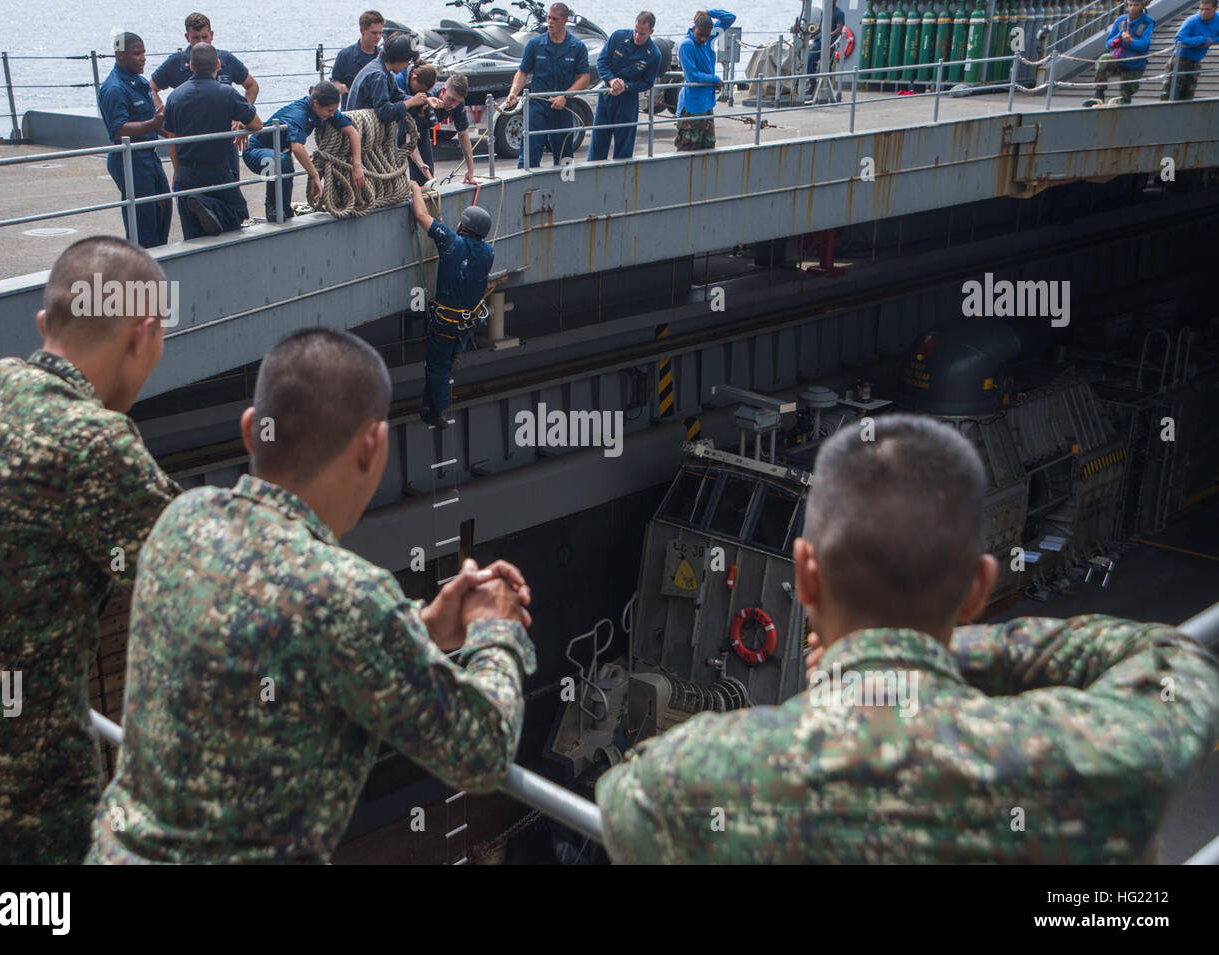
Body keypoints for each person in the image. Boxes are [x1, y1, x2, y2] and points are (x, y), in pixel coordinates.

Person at [595, 414, 1219, 863]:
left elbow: (622, 805)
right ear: (977, 588)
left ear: (807, 575)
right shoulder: (1083, 761)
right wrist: (952, 657)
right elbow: (1173, 664)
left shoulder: (692, 777)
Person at [86, 328, 536, 864]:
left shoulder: (182, 520)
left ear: (252, 430)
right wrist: (495, 628)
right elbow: (481, 753)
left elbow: (287, 635)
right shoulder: (348, 597)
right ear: (374, 446)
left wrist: (421, 627)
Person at [0, 237, 181, 864]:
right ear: (143, 333)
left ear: (44, 325)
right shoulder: (95, 444)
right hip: (24, 805)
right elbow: (202, 576)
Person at [408, 180, 494, 430]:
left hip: (446, 324)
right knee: (447, 362)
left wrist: (415, 188)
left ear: (463, 226)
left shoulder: (451, 243)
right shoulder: (488, 252)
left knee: (436, 366)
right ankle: (432, 401)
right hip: (467, 323)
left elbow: (420, 214)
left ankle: (436, 411)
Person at [163, 43, 262, 238]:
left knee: (192, 238)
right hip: (218, 170)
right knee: (237, 214)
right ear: (218, 64)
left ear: (191, 66)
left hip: (187, 172)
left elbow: (171, 139)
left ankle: (203, 204)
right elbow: (257, 125)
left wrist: (176, 171)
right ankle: (207, 204)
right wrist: (241, 126)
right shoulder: (227, 93)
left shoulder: (174, 97)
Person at [150, 12, 260, 182]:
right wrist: (165, 115)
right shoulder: (176, 62)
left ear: (212, 35)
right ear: (187, 37)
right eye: (195, 38)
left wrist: (242, 120)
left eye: (204, 36)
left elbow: (252, 86)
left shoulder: (226, 59)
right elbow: (151, 88)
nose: (201, 41)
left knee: (228, 190)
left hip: (223, 141)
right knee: (191, 191)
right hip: (190, 143)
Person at [242, 82, 366, 223]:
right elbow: (297, 148)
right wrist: (314, 176)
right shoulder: (298, 114)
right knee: (281, 161)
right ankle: (273, 208)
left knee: (283, 161)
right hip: (255, 151)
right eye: (329, 111)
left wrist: (357, 166)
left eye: (334, 111)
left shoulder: (325, 110)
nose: (332, 115)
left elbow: (353, 133)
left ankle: (285, 211)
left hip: (280, 152)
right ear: (316, 104)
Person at [97, 33, 172, 247]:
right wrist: (154, 124)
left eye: (144, 53)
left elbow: (152, 120)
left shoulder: (140, 83)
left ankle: (159, 256)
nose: (143, 58)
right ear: (120, 55)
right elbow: (119, 129)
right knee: (143, 218)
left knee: (163, 206)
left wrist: (174, 135)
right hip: (130, 159)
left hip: (149, 155)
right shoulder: (114, 89)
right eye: (136, 53)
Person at [504, 2, 591, 169]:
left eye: (555, 19)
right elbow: (522, 72)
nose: (550, 22)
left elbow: (584, 78)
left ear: (565, 21)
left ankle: (567, 188)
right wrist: (513, 92)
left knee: (565, 156)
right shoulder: (535, 45)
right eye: (548, 18)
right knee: (529, 150)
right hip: (539, 104)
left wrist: (565, 96)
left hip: (563, 107)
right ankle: (525, 189)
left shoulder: (577, 47)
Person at [350, 34, 433, 180]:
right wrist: (411, 102)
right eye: (407, 61)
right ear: (398, 58)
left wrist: (423, 100)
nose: (407, 65)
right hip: (363, 140)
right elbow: (384, 112)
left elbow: (398, 96)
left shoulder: (383, 71)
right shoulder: (379, 76)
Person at [588, 12, 662, 162]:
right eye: (635, 31)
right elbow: (602, 62)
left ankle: (621, 177)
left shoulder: (654, 54)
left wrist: (626, 86)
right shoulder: (618, 37)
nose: (636, 36)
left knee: (624, 145)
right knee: (598, 140)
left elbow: (647, 83)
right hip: (607, 94)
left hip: (628, 100)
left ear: (651, 32)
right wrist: (611, 79)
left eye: (642, 33)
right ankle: (593, 174)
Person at [674, 10, 735, 151]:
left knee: (708, 147)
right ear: (694, 28)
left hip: (706, 104)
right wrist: (714, 79)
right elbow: (692, 76)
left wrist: (708, 12)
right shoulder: (687, 45)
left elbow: (730, 18)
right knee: (687, 148)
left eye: (706, 36)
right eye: (700, 34)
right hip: (692, 106)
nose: (702, 39)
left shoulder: (708, 39)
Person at [1084, 0, 1155, 106]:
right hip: (1118, 59)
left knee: (1126, 96)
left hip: (1134, 63)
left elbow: (1144, 44)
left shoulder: (1148, 21)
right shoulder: (1120, 20)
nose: (1132, 8)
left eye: (1136, 5)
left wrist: (1130, 42)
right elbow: (1108, 44)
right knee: (1104, 58)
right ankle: (1098, 95)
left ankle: (1123, 100)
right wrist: (1119, 36)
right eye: (1130, 5)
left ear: (1142, 6)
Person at [1161, 0, 1219, 100]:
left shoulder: (1217, 19)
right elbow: (1178, 39)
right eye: (1201, 9)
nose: (1203, 12)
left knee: (1188, 96)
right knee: (1170, 94)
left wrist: (1212, 40)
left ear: (1215, 9)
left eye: (1207, 9)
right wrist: (1201, 40)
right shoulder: (1192, 21)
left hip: (1196, 61)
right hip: (1180, 60)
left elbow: (1214, 38)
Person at [396, 62, 441, 184]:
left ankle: (424, 182)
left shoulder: (424, 92)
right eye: (420, 90)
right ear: (413, 78)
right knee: (393, 169)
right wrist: (412, 101)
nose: (421, 93)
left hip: (414, 117)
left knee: (425, 170)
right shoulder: (398, 81)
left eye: (425, 92)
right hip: (396, 121)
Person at [332, 10, 387, 110]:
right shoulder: (345, 56)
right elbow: (335, 81)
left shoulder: (383, 57)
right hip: (352, 113)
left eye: (380, 33)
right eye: (374, 33)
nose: (378, 37)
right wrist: (339, 87)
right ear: (362, 30)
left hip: (377, 114)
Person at [806, 1, 846, 101]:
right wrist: (811, 35)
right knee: (809, 59)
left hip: (830, 42)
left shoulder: (840, 13)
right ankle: (813, 84)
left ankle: (825, 89)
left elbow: (839, 29)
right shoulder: (824, 12)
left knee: (827, 65)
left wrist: (829, 35)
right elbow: (820, 27)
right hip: (819, 40)